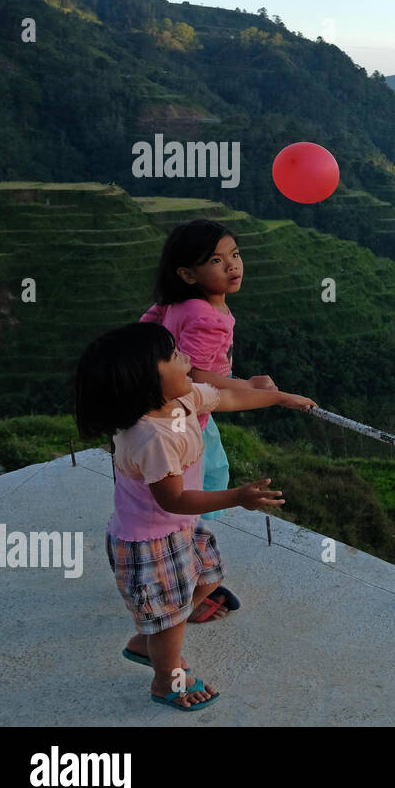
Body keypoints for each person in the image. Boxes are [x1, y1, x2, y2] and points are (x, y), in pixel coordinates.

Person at [74, 322, 317, 711]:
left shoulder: (179, 402)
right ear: (144, 381)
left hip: (179, 529)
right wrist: (238, 497)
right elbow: (173, 498)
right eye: (173, 356)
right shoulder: (150, 437)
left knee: (208, 577)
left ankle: (145, 643)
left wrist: (280, 398)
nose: (185, 358)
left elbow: (225, 398)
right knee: (170, 618)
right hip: (149, 541)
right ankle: (165, 680)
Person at [140, 219, 275, 622]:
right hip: (188, 415)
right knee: (196, 487)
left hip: (159, 408)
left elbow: (144, 334)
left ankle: (188, 563)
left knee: (187, 481)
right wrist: (248, 384)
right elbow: (197, 374)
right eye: (216, 260)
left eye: (234, 255)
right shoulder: (208, 316)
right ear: (187, 273)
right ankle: (188, 583)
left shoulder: (173, 303)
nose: (232, 266)